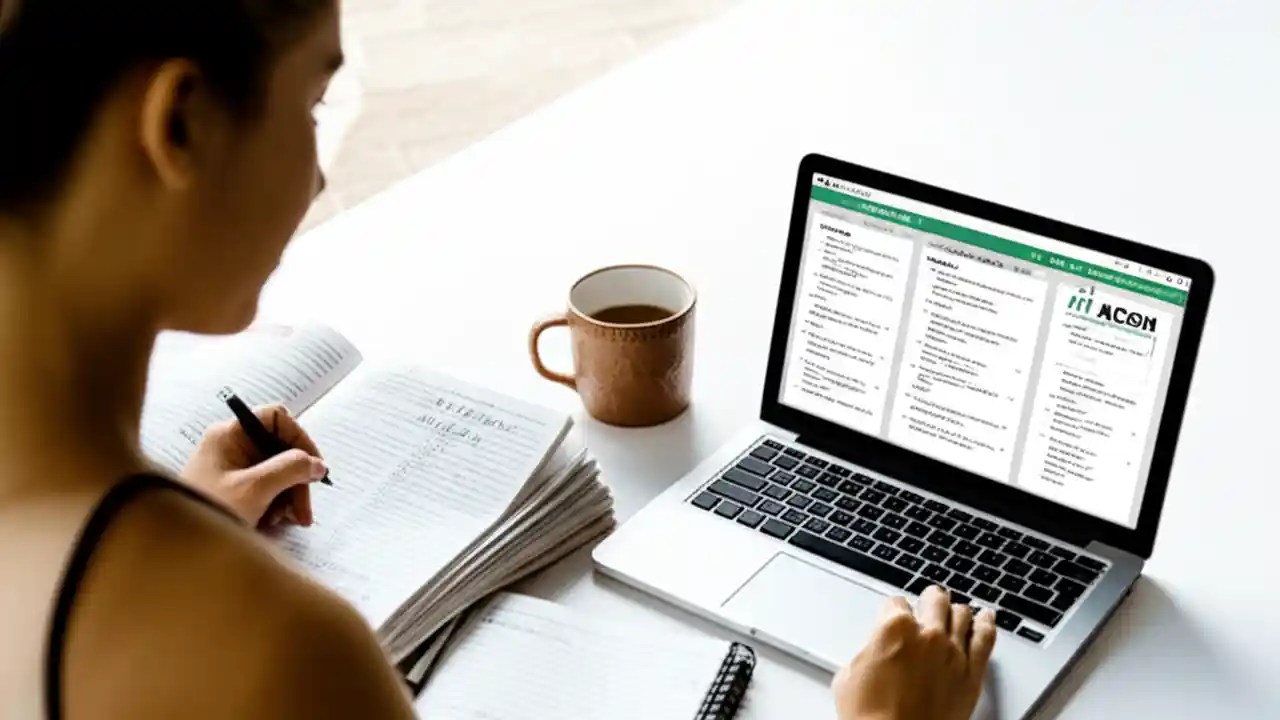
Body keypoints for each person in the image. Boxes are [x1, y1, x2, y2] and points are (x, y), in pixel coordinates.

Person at [0, 0, 997, 717]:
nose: (317, 172)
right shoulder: (272, 652)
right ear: (178, 123)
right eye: (309, 107)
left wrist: (186, 525)